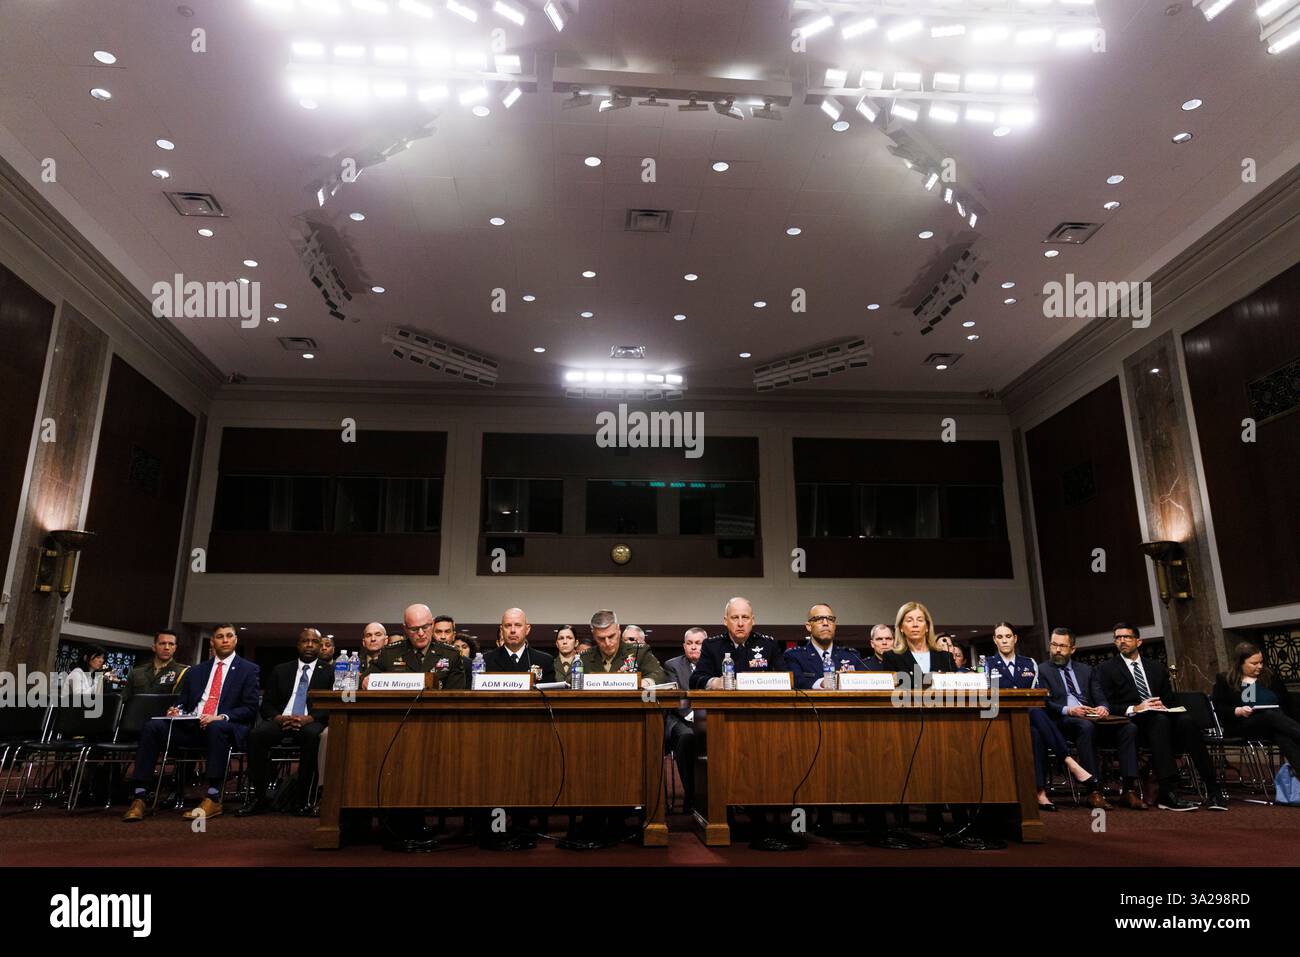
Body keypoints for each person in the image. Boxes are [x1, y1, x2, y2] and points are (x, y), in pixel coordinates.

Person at [121, 624, 260, 822]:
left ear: (236, 640)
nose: (225, 640)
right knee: (152, 726)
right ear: (213, 642)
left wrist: (221, 716)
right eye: (220, 637)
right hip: (192, 725)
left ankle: (213, 796)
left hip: (223, 726)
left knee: (215, 726)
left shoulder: (249, 670)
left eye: (229, 636)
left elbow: (250, 708)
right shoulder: (196, 671)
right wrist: (177, 710)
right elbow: (184, 702)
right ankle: (140, 796)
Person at [1095, 622, 1226, 811]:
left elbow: (1169, 698)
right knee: (1159, 721)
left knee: (1187, 722)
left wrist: (1163, 706)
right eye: (1117, 638)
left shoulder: (1155, 667)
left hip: (1160, 716)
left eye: (1127, 637)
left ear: (1138, 641)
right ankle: (1167, 791)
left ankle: (1213, 791)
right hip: (1131, 723)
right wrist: (1136, 707)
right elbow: (1107, 704)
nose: (1121, 641)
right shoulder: (1106, 669)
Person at [988, 622, 1101, 811]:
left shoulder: (1029, 663)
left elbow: (1038, 695)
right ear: (994, 640)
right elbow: (989, 698)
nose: (1004, 640)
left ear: (1015, 639)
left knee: (1036, 731)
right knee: (1033, 710)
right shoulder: (987, 664)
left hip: (1030, 720)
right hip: (1003, 718)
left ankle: (1040, 792)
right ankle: (1069, 761)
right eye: (1000, 637)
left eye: (1008, 636)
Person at [1038, 626, 1144, 810]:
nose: (1057, 650)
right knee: (1085, 727)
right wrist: (1069, 710)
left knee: (1129, 728)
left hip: (1092, 717)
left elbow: (1099, 695)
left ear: (1072, 649)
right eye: (1054, 645)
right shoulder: (1041, 670)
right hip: (1063, 720)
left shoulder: (1087, 670)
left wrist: (1103, 707)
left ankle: (1129, 790)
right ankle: (1093, 790)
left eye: (1062, 646)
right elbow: (1044, 703)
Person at [238, 628, 335, 817]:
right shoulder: (281, 670)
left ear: (319, 646)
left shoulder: (329, 672)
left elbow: (331, 705)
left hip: (310, 721)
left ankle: (303, 799)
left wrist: (310, 718)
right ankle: (258, 797)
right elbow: (267, 705)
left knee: (314, 736)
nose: (309, 645)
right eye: (305, 641)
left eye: (314, 642)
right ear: (298, 645)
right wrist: (279, 718)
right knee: (256, 735)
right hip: (281, 720)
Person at [1212, 642, 1300, 772]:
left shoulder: (1269, 676)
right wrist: (1239, 711)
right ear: (1240, 663)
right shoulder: (1225, 680)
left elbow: (1287, 704)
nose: (1259, 666)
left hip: (1275, 724)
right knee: (1270, 716)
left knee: (1282, 734)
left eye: (1261, 662)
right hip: (1244, 725)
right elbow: (1219, 708)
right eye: (1254, 663)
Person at [690, 597, 788, 689]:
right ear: (726, 621)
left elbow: (786, 679)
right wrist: (714, 682)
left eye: (745, 617)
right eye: (735, 618)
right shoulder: (712, 646)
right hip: (724, 704)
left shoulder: (768, 645)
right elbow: (694, 680)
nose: (740, 623)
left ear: (753, 621)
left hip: (760, 704)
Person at [364, 604, 468, 689]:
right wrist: (365, 681)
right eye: (414, 629)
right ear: (405, 629)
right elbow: (363, 681)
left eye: (425, 627)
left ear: (432, 624)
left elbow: (455, 697)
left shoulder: (451, 655)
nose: (421, 633)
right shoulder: (390, 653)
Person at [662, 628, 707, 812]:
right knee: (687, 737)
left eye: (698, 643)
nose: (694, 647)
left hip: (709, 718)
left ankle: (719, 795)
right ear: (684, 646)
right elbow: (675, 697)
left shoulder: (714, 664)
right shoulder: (672, 665)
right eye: (690, 643)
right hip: (680, 718)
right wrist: (694, 717)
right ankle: (692, 795)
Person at [784, 604, 869, 689]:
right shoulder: (795, 655)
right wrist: (821, 683)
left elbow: (864, 683)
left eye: (830, 619)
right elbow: (796, 682)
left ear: (834, 626)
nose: (825, 623)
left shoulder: (851, 655)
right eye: (819, 619)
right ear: (809, 626)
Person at [580, 610, 667, 684]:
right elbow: (570, 682)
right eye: (601, 638)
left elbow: (660, 675)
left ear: (618, 629)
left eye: (611, 636)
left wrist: (642, 682)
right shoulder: (584, 658)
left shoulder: (639, 652)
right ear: (594, 635)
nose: (607, 643)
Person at [482, 607, 556, 683]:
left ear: (527, 629)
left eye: (518, 625)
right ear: (501, 630)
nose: (513, 630)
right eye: (508, 625)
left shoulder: (544, 661)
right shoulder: (485, 660)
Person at [883, 602, 955, 677]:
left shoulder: (946, 657)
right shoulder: (891, 657)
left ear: (927, 626)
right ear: (901, 627)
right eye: (909, 620)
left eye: (920, 620)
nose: (915, 624)